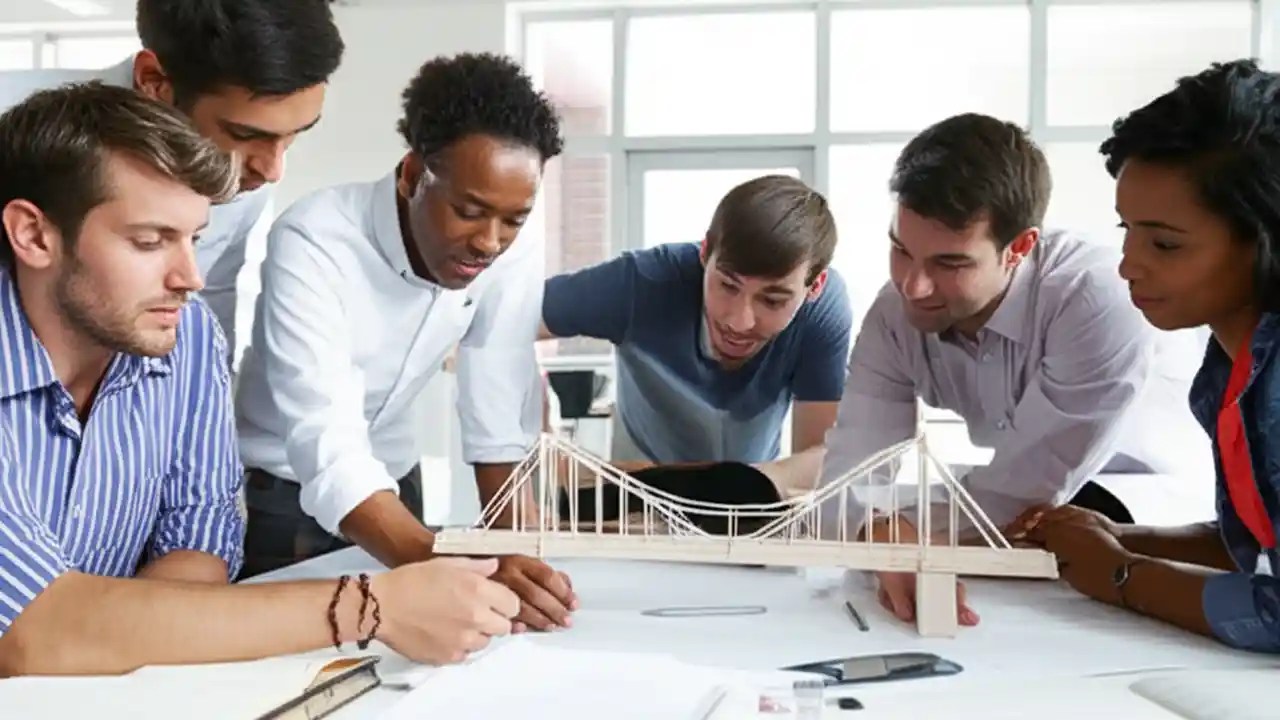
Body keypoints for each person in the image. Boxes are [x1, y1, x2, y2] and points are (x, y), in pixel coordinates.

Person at [0, 83, 521, 677]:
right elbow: (31, 632)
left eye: (194, 239)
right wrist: (371, 607)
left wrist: (119, 641)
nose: (190, 278)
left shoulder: (187, 337)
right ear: (34, 236)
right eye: (150, 242)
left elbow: (198, 542)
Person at [816, 112, 1210, 629]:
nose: (913, 286)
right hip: (1011, 518)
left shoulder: (1094, 296)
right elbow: (847, 481)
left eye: (950, 264)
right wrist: (875, 528)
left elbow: (1026, 490)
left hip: (1147, 518)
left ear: (1019, 248)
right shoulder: (895, 314)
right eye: (900, 249)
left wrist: (894, 525)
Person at [234, 53, 577, 631]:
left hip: (396, 485)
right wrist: (437, 560)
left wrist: (522, 557)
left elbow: (496, 406)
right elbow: (326, 437)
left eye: (514, 219)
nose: (490, 243)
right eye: (469, 212)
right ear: (413, 175)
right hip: (281, 490)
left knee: (415, 667)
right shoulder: (315, 239)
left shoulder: (512, 251)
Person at [1023, 59, 1280, 653]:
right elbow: (1250, 544)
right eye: (1127, 232)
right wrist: (1120, 538)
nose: (1128, 266)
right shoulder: (1226, 367)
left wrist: (1120, 576)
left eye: (1164, 243)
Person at [0, 0, 345, 354]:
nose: (272, 171)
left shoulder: (244, 180)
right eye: (243, 135)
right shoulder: (9, 128)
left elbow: (210, 312)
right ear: (154, 82)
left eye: (293, 135)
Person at [541, 175, 852, 465]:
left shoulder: (822, 312)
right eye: (728, 286)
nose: (740, 322)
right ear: (705, 253)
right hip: (634, 494)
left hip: (750, 497)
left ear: (815, 287)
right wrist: (543, 437)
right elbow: (508, 319)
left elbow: (817, 459)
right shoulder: (641, 284)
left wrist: (747, 488)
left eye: (772, 300)